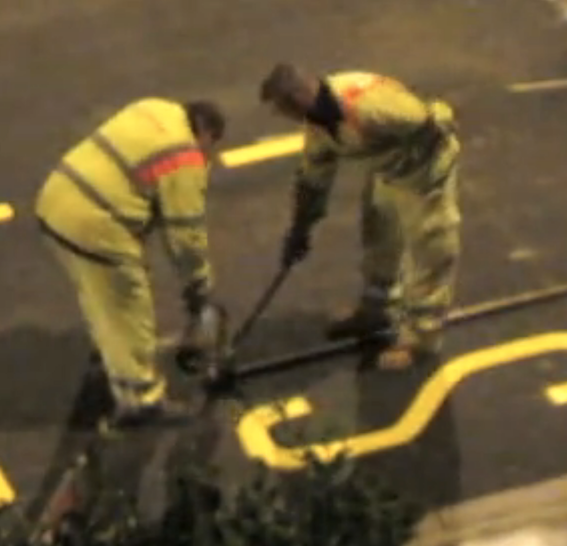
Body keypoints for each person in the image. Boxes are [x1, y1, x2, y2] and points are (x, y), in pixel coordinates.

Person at [35, 97, 226, 427]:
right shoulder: (184, 156)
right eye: (211, 147)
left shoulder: (155, 108)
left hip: (55, 203)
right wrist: (199, 287)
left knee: (99, 292)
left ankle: (112, 353)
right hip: (93, 223)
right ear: (206, 134)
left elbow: (132, 175)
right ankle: (141, 399)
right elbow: (185, 236)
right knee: (129, 304)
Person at [259, 62, 462, 370]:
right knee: (379, 234)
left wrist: (424, 170)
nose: (285, 117)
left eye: (282, 110)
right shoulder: (319, 124)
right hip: (388, 172)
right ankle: (377, 309)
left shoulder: (369, 106)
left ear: (296, 99)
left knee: (430, 250)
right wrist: (301, 228)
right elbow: (313, 181)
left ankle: (421, 340)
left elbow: (431, 119)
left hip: (424, 175)